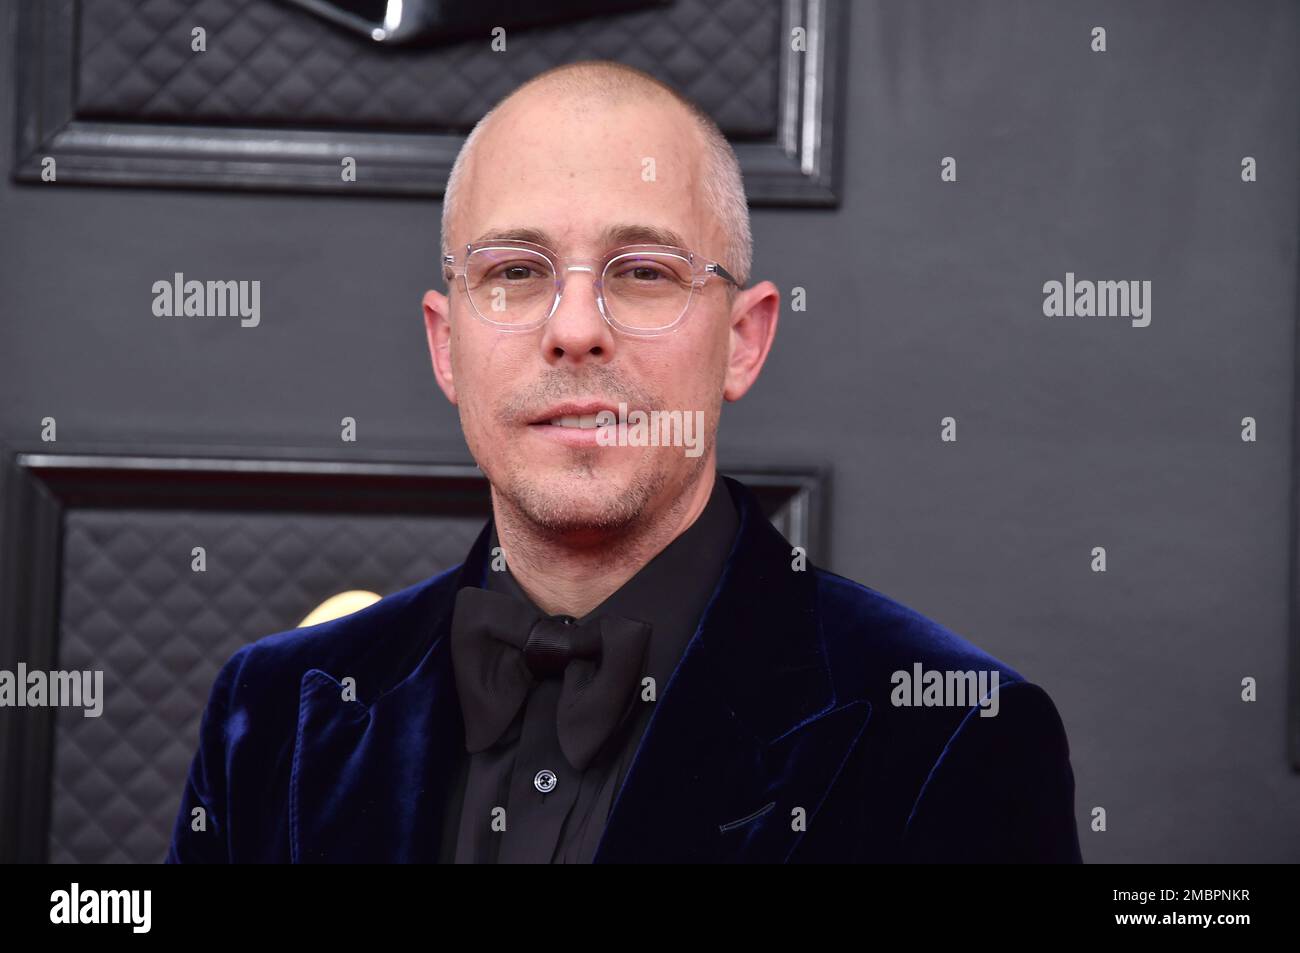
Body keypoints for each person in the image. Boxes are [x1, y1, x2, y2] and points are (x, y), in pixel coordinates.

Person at [166, 59, 1082, 863]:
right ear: (447, 347)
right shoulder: (273, 713)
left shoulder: (952, 737)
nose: (573, 331)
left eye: (644, 271)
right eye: (516, 271)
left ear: (743, 340)